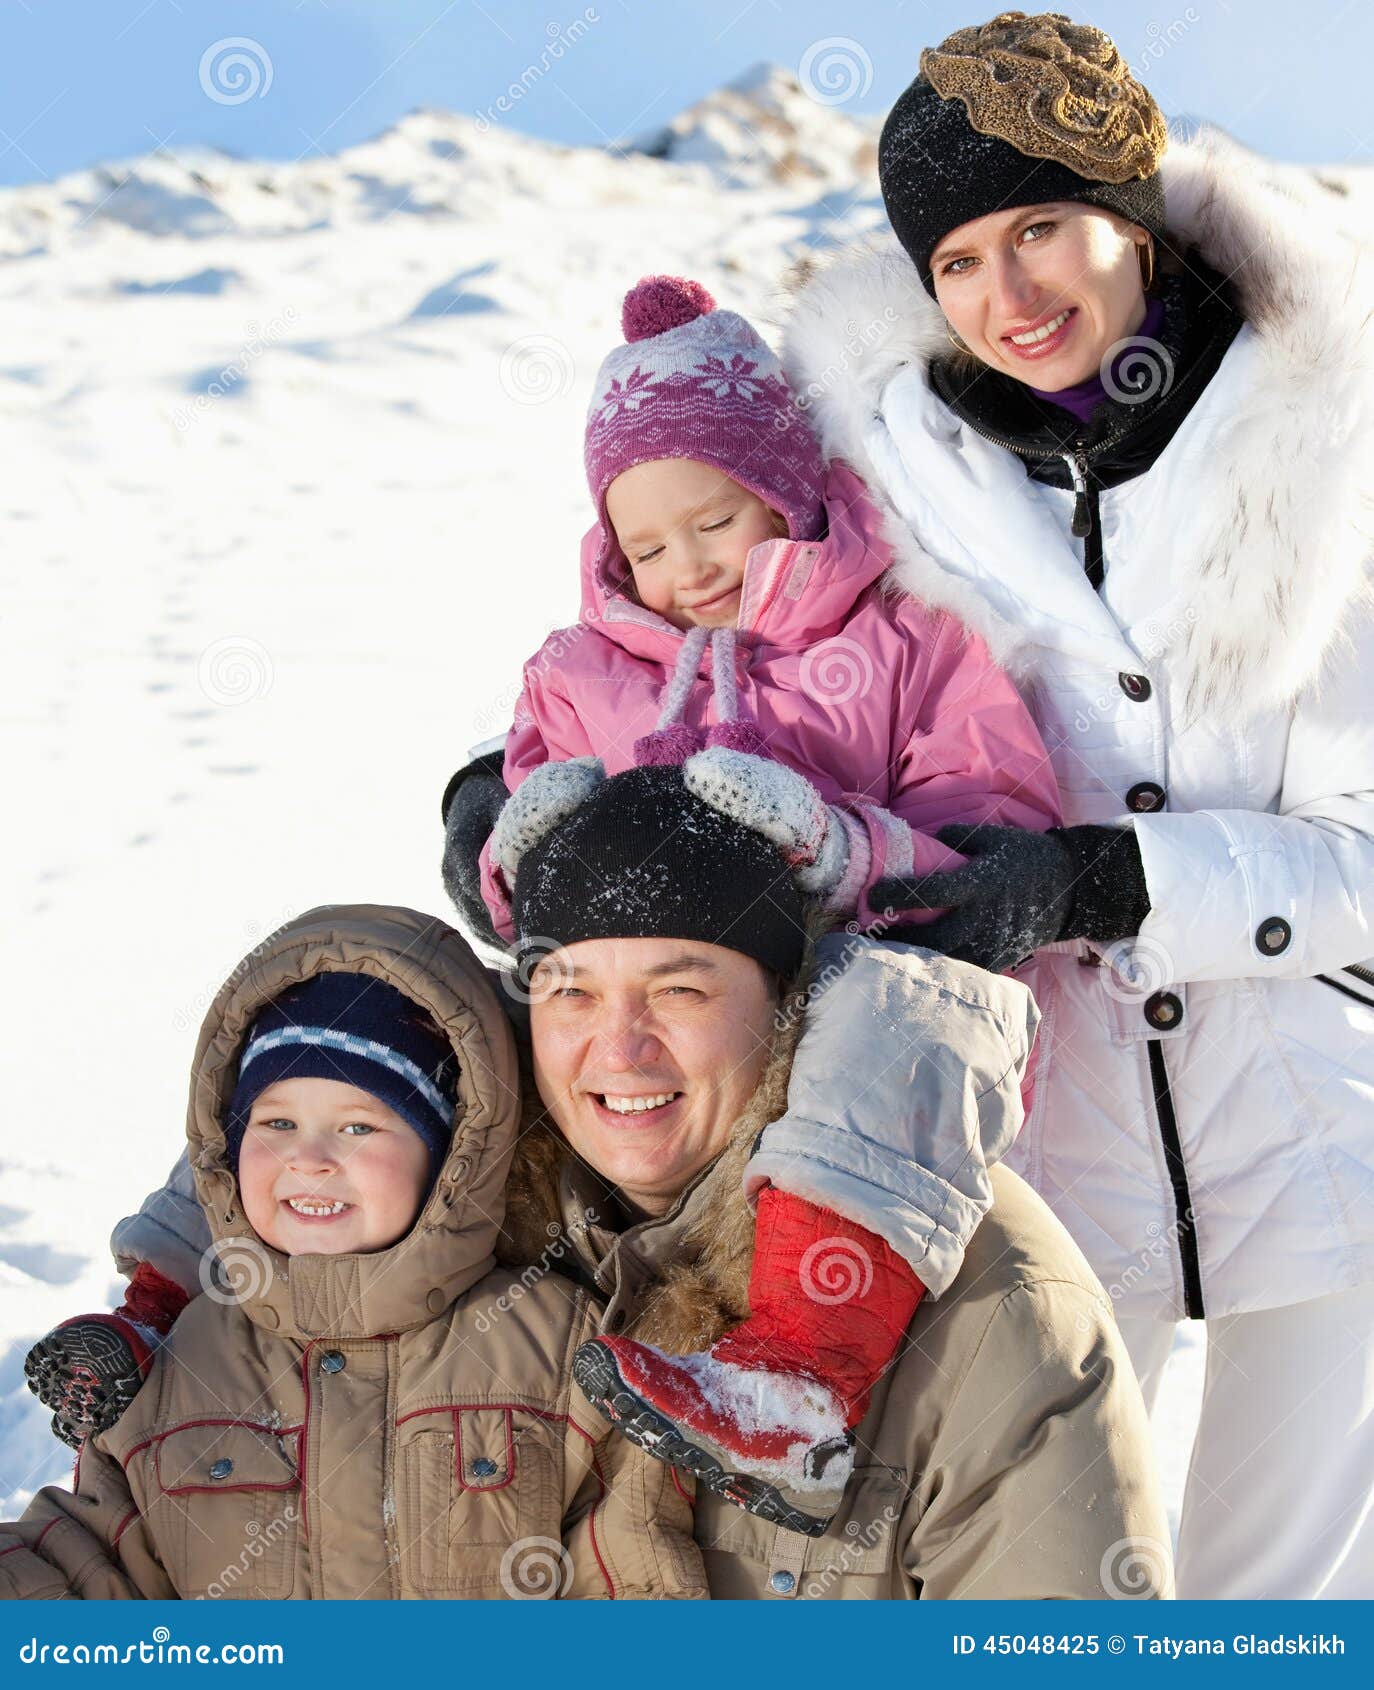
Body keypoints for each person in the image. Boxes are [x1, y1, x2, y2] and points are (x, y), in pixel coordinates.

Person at [781, 9, 1374, 1596]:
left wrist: (1097, 882)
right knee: (1059, 1595)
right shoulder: (896, 471)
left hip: (1333, 1148)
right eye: (958, 259)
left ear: (1128, 209)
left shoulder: (1340, 445)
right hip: (1056, 1153)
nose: (1007, 296)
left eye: (1040, 226)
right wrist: (528, 782)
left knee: (1283, 1605)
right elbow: (754, 665)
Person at [443, 271, 1065, 1531]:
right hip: (662, 1044)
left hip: (848, 1035)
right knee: (379, 999)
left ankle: (797, 1379)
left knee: (898, 1010)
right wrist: (526, 846)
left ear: (784, 488)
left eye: (715, 521)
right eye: (646, 546)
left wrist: (844, 848)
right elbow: (522, 861)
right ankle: (188, 1300)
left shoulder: (904, 641)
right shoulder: (580, 671)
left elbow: (996, 837)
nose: (683, 569)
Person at [496, 759, 1173, 1597]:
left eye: (678, 990)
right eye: (571, 993)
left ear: (791, 1000)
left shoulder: (995, 1306)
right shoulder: (465, 1257)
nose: (621, 1048)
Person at [2, 906, 702, 1600]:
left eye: (359, 1126)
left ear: (450, 1158)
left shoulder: (557, 1344)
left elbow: (631, 1577)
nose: (309, 1159)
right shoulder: (185, 1362)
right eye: (276, 1122)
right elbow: (91, 1567)